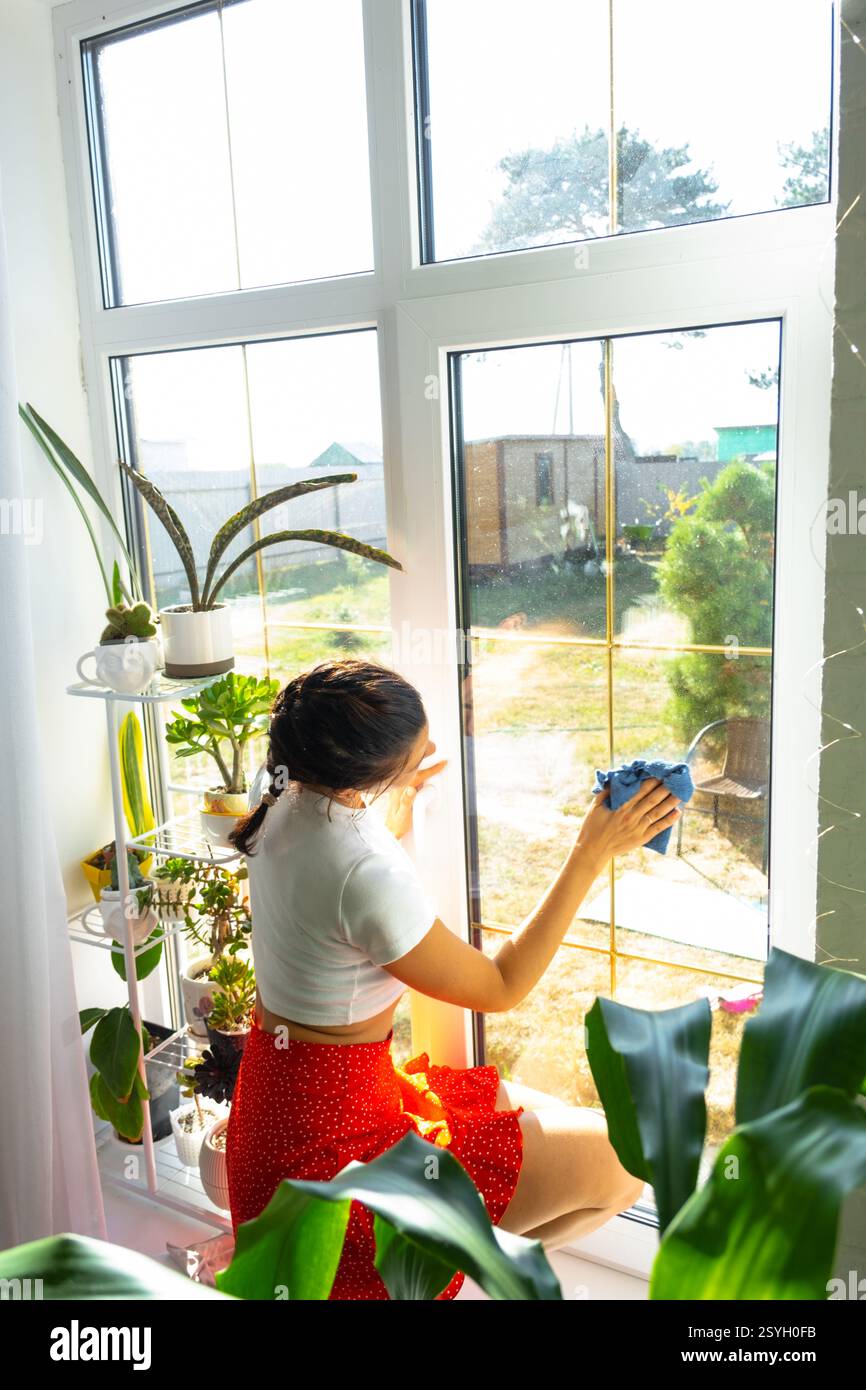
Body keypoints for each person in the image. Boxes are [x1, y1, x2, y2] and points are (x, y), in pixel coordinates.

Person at [224, 658, 682, 1300]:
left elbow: (331, 879)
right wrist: (591, 852)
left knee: (523, 1112)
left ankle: (458, 1258)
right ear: (360, 772)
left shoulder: (275, 791)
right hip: (338, 1157)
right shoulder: (362, 876)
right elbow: (500, 985)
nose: (434, 748)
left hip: (281, 1107)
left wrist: (392, 806)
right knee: (626, 1162)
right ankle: (458, 1264)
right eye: (417, 750)